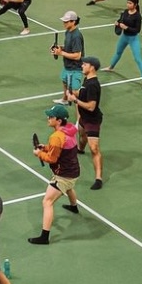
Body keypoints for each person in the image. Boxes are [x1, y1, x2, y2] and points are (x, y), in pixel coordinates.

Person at [28, 104, 82, 245]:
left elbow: (52, 158)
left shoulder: (56, 137)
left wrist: (39, 153)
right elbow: (59, 149)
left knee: (47, 202)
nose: (48, 118)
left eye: (51, 117)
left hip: (64, 175)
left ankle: (44, 237)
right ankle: (74, 207)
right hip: (74, 171)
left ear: (58, 121)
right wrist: (45, 147)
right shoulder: (69, 130)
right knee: (69, 187)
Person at [69, 56, 104, 190]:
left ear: (92, 67)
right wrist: (74, 93)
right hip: (83, 118)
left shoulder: (94, 85)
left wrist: (75, 100)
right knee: (82, 138)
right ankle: (80, 149)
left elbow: (91, 106)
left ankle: (98, 179)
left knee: (94, 148)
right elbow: (82, 92)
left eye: (85, 64)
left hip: (92, 120)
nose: (82, 66)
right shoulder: (87, 80)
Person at [103, 0, 142, 91]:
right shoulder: (125, 12)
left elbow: (137, 30)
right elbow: (121, 20)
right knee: (118, 52)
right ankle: (111, 67)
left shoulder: (138, 16)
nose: (128, 5)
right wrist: (117, 23)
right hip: (124, 37)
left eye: (130, 3)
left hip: (133, 39)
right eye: (127, 3)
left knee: (138, 59)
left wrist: (126, 28)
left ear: (135, 5)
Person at [54, 10, 85, 104]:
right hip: (68, 65)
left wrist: (61, 53)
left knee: (75, 92)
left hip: (75, 67)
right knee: (64, 81)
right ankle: (65, 99)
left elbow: (77, 55)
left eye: (66, 22)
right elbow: (69, 47)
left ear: (73, 22)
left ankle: (81, 113)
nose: (64, 23)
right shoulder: (68, 31)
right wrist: (60, 48)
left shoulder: (76, 36)